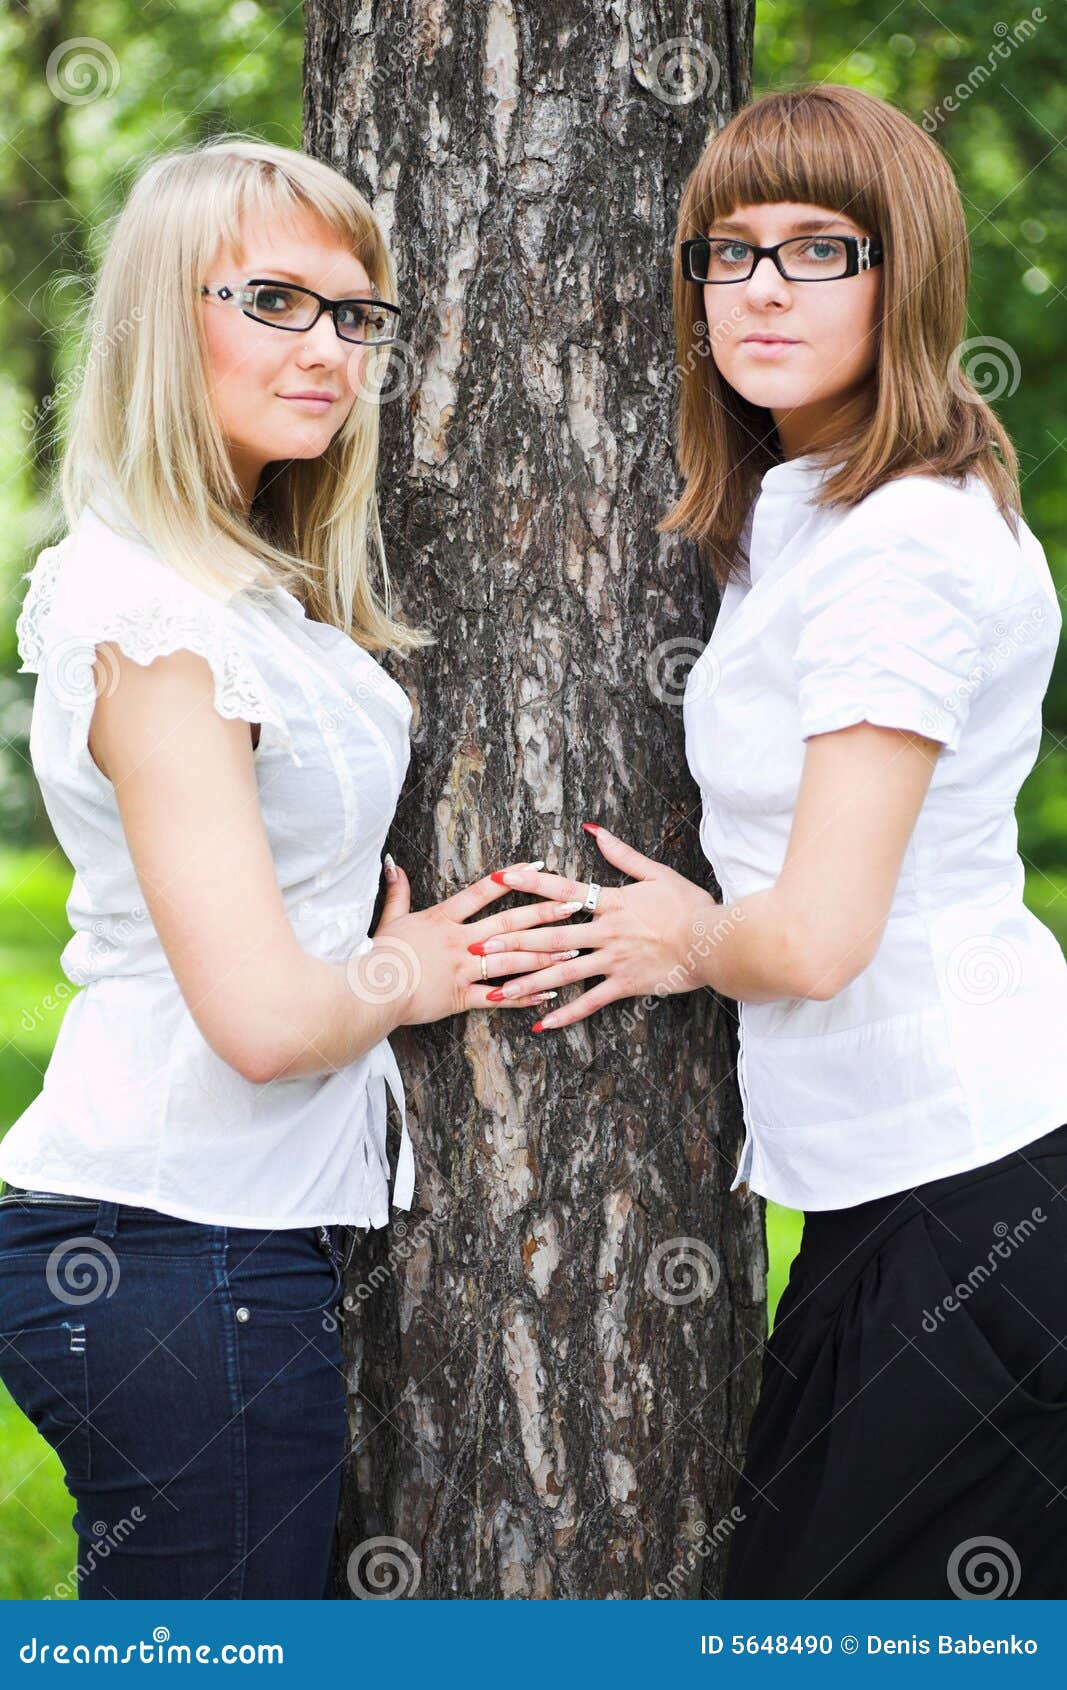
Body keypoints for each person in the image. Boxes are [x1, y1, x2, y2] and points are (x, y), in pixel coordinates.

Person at [476, 84, 1067, 1597]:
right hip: (896, 1195)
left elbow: (810, 937)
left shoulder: (907, 542)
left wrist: (688, 936)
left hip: (975, 1193)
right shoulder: (807, 502)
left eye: (820, 249)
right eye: (728, 253)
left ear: (908, 274)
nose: (760, 289)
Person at [0, 135, 580, 1599]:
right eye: (274, 301)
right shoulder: (154, 614)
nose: (330, 348)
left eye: (355, 314)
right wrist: (416, 965)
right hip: (167, 1243)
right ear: (159, 316)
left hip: (225, 1240)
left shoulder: (245, 591)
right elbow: (260, 1024)